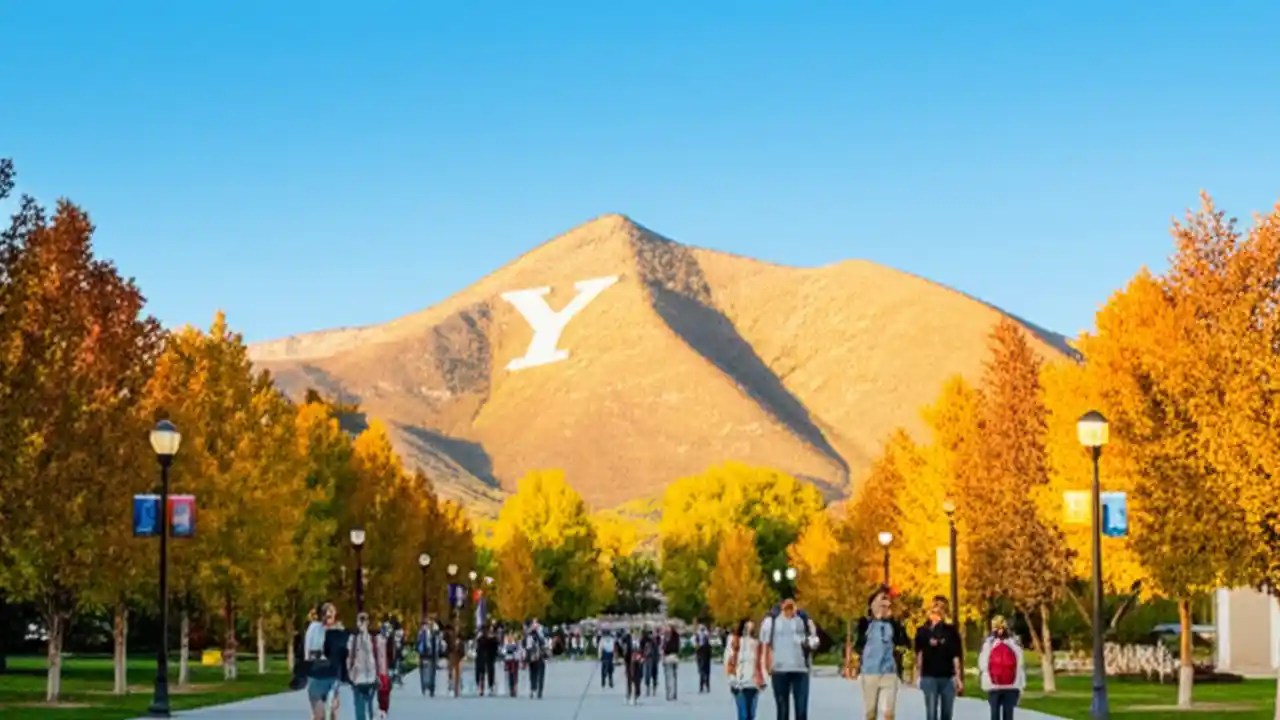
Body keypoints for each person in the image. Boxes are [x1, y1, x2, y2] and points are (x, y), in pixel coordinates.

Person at [852, 586, 911, 720]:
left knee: (889, 713)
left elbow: (904, 643)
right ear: (872, 605)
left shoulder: (894, 624)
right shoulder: (865, 623)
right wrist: (873, 621)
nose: (883, 607)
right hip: (869, 672)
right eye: (880, 604)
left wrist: (894, 622)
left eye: (886, 604)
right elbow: (858, 646)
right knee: (870, 713)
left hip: (889, 672)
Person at [760, 598, 819, 720]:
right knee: (782, 711)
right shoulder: (771, 621)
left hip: (801, 670)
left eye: (792, 607)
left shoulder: (803, 619)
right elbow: (765, 645)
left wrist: (812, 634)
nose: (790, 610)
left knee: (801, 711)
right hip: (779, 669)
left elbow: (814, 640)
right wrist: (765, 666)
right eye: (786, 607)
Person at [916, 596, 964, 720]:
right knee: (931, 714)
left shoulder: (951, 631)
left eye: (941, 609)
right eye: (934, 609)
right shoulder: (922, 631)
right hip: (929, 676)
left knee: (947, 714)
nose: (937, 612)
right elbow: (919, 654)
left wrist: (958, 678)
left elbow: (956, 656)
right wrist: (918, 675)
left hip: (947, 677)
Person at [978, 615, 1025, 720]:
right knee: (1008, 715)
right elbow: (1020, 663)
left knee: (994, 715)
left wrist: (984, 680)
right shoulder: (1014, 642)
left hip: (993, 685)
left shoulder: (988, 643)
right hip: (1012, 685)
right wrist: (1021, 685)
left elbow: (983, 664)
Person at [304, 602, 344, 720]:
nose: (329, 617)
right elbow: (308, 650)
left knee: (332, 711)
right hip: (316, 676)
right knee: (319, 714)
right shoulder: (314, 628)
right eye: (327, 614)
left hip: (332, 677)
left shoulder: (338, 630)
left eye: (332, 614)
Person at [346, 612, 388, 720]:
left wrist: (382, 675)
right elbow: (349, 658)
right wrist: (350, 674)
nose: (362, 623)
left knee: (371, 711)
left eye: (364, 620)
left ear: (368, 622)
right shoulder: (353, 639)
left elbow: (380, 658)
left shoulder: (374, 639)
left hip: (372, 679)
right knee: (360, 712)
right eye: (360, 620)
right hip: (358, 679)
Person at [725, 618, 766, 720]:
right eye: (746, 628)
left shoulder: (757, 644)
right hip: (739, 684)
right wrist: (731, 679)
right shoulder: (734, 642)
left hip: (753, 684)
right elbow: (728, 662)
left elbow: (761, 662)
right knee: (743, 715)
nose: (748, 631)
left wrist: (764, 679)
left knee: (751, 715)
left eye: (751, 629)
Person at [415, 618, 442, 697]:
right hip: (430, 655)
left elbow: (418, 644)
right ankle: (430, 688)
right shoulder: (430, 633)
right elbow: (436, 644)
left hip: (424, 655)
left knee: (424, 672)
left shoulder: (421, 633)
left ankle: (425, 687)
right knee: (430, 672)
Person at [525, 619, 548, 699]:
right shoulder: (529, 634)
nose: (535, 625)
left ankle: (539, 691)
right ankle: (533, 688)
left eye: (536, 623)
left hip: (540, 656)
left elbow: (544, 643)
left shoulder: (542, 632)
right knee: (533, 673)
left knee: (541, 674)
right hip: (532, 656)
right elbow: (526, 645)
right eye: (533, 624)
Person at [623, 628, 645, 705]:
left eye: (638, 633)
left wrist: (641, 657)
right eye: (635, 632)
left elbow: (643, 650)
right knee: (629, 678)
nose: (636, 634)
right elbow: (625, 651)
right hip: (629, 661)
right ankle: (629, 694)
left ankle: (637, 694)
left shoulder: (641, 641)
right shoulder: (627, 640)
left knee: (638, 678)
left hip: (638, 662)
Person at [661, 624, 680, 701]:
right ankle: (674, 694)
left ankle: (670, 694)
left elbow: (664, 648)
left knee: (669, 677)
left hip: (668, 658)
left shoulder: (667, 637)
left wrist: (664, 653)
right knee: (674, 677)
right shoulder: (677, 637)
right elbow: (678, 648)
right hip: (675, 657)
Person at [481, 622, 500, 695]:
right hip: (485, 656)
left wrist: (493, 638)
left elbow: (496, 645)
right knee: (483, 671)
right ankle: (482, 686)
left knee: (491, 671)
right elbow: (482, 644)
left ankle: (491, 686)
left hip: (492, 657)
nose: (490, 631)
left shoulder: (494, 638)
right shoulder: (484, 637)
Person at [502, 630, 524, 697]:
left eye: (513, 635)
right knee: (510, 674)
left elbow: (520, 651)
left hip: (515, 659)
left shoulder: (518, 642)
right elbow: (503, 650)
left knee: (515, 673)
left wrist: (521, 658)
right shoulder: (506, 641)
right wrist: (506, 651)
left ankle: (515, 688)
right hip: (508, 659)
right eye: (510, 634)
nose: (511, 636)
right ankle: (511, 688)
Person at [445, 625, 464, 698]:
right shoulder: (448, 637)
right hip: (452, 654)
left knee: (457, 673)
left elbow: (462, 649)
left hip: (458, 655)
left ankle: (456, 689)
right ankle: (452, 685)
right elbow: (448, 647)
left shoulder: (459, 638)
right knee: (451, 671)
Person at [695, 623, 713, 693]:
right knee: (703, 671)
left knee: (703, 671)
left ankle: (704, 686)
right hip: (702, 655)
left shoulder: (705, 636)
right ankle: (704, 685)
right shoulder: (699, 636)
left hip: (704, 655)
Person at [641, 629, 659, 696]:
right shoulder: (646, 641)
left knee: (653, 674)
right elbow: (642, 649)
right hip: (648, 659)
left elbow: (656, 651)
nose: (651, 636)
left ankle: (653, 688)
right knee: (648, 674)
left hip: (653, 659)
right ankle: (649, 688)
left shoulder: (654, 641)